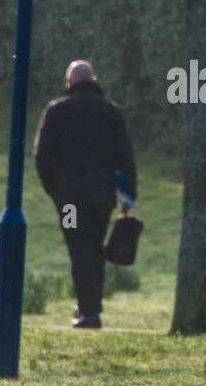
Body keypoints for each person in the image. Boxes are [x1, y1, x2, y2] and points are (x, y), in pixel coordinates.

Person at [34, 60, 137, 329]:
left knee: (78, 249)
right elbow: (125, 157)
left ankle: (89, 312)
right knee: (94, 248)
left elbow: (42, 156)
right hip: (102, 198)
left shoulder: (56, 111)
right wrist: (127, 197)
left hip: (69, 200)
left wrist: (53, 190)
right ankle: (90, 307)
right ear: (94, 80)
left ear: (69, 83)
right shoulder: (111, 112)